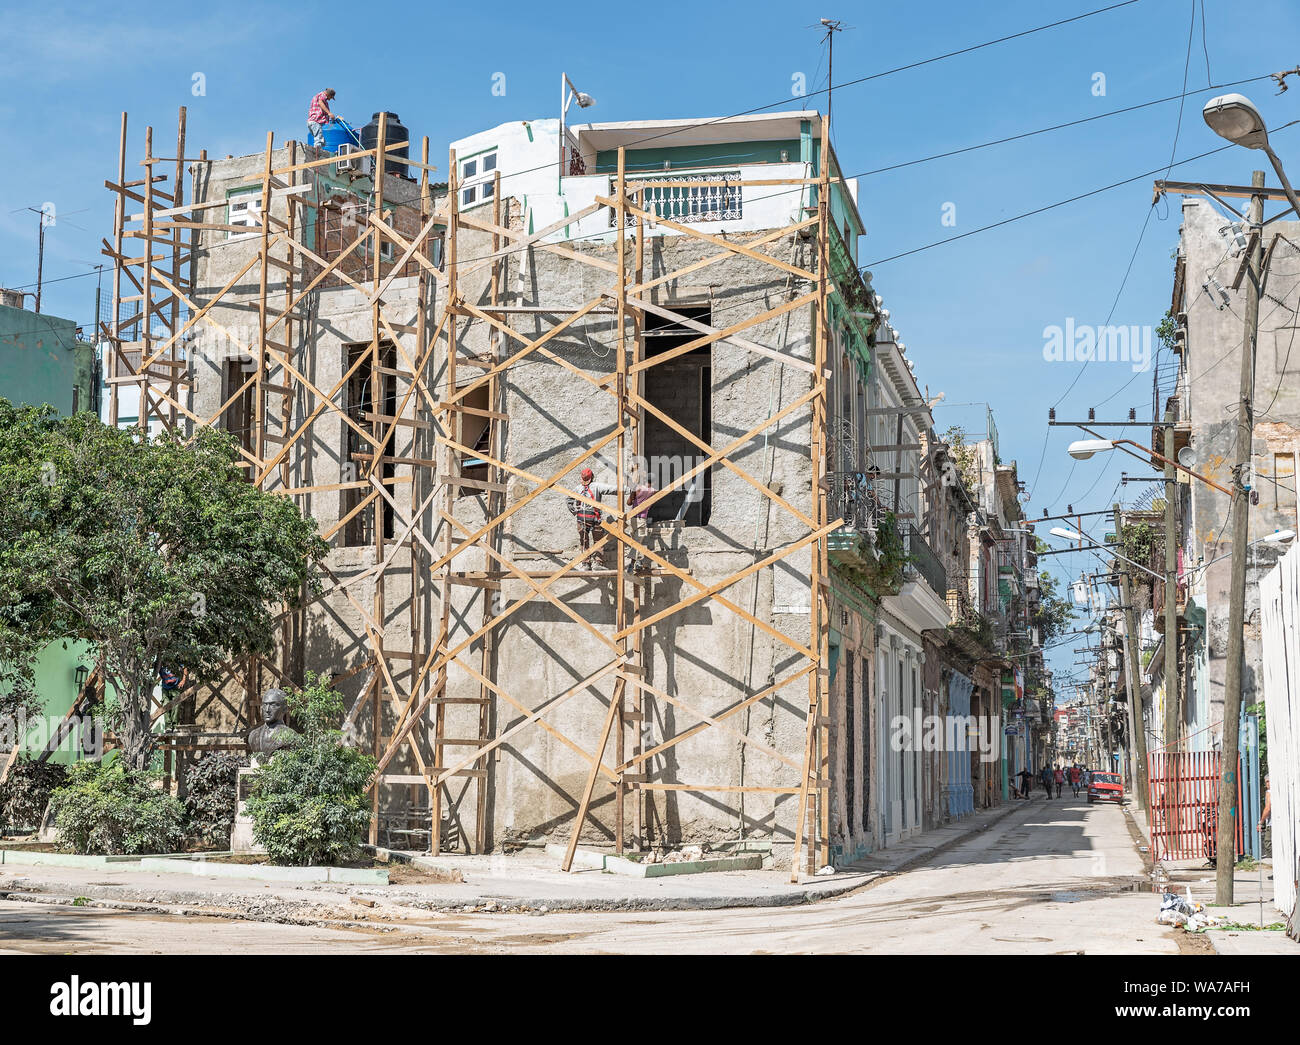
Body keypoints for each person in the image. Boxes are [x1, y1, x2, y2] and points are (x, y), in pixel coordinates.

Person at [568, 467, 616, 570]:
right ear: (592, 477)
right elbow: (611, 489)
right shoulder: (597, 486)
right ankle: (597, 563)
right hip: (595, 517)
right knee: (598, 540)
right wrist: (627, 489)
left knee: (584, 540)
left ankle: (586, 564)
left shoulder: (577, 488)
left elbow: (568, 499)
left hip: (582, 518)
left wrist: (574, 511)